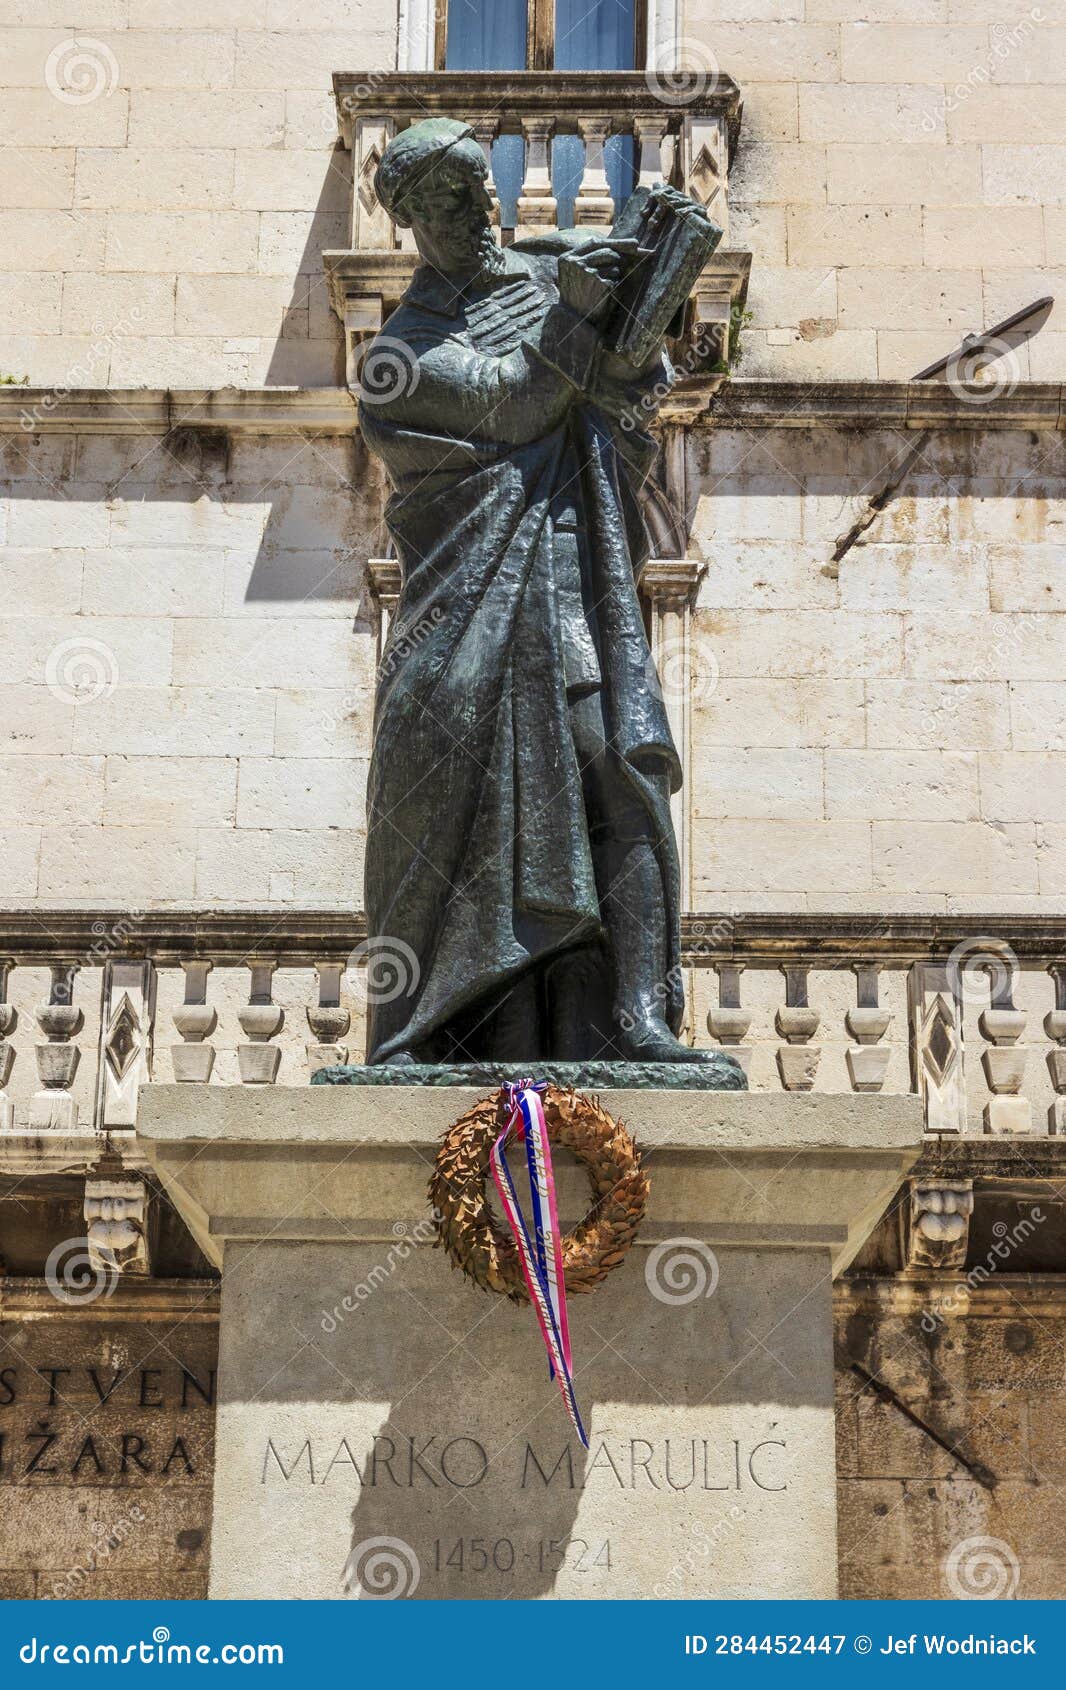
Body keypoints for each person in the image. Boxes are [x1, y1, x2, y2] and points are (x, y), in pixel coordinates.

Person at [359, 116, 714, 1066]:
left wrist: (635, 335)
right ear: (405, 218)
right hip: (465, 627)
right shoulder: (398, 359)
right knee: (470, 818)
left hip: (571, 590)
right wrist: (579, 315)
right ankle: (474, 1027)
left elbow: (618, 409)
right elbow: (516, 399)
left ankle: (637, 1017)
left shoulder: (547, 275)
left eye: (480, 190)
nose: (478, 210)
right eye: (447, 199)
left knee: (616, 774)